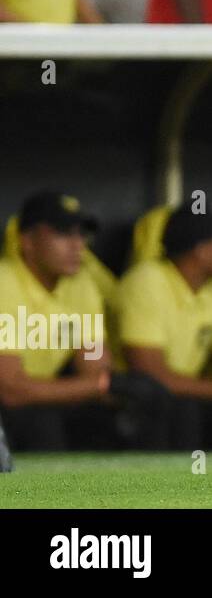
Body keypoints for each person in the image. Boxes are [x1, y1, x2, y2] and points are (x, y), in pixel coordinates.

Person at [113, 205, 212, 448]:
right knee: (178, 405)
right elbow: (151, 375)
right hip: (126, 399)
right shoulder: (147, 280)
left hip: (185, 392)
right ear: (201, 250)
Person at [0, 192, 113, 451]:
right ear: (27, 241)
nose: (77, 245)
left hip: (40, 399)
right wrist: (97, 385)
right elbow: (10, 390)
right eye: (63, 234)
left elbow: (98, 367)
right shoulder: (4, 282)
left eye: (81, 234)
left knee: (137, 401)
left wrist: (101, 384)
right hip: (9, 408)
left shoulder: (81, 285)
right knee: (38, 421)